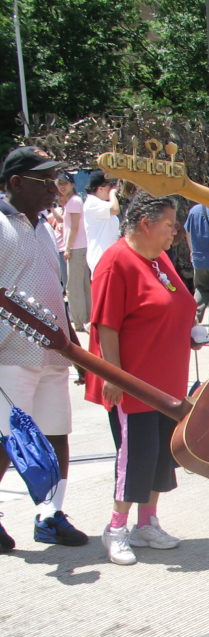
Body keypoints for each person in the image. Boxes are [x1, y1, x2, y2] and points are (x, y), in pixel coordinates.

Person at [85, 193, 197, 566]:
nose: (175, 232)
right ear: (146, 224)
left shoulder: (157, 258)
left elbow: (175, 301)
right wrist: (113, 375)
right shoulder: (117, 261)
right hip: (134, 383)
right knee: (134, 457)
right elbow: (106, 325)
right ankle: (116, 528)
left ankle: (146, 523)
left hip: (167, 380)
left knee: (160, 457)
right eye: (169, 224)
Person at [0, 145, 89, 551]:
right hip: (11, 355)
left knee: (57, 435)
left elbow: (54, 290)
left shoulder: (41, 227)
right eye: (45, 180)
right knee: (8, 442)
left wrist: (73, 344)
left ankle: (50, 515)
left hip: (54, 354)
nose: (55, 188)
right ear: (16, 182)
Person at [183, 183, 209, 339]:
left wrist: (192, 250)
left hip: (198, 257)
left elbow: (187, 231)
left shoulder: (194, 210)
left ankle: (191, 321)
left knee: (200, 290)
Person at [54, 172, 90, 332]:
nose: (62, 187)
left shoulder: (74, 201)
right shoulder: (73, 202)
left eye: (65, 183)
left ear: (72, 185)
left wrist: (67, 248)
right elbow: (67, 223)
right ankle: (86, 319)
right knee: (82, 286)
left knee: (73, 287)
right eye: (59, 184)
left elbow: (74, 227)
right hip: (80, 246)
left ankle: (79, 322)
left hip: (75, 247)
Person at [82, 169, 120, 275]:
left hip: (109, 256)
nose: (112, 189)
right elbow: (115, 209)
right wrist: (113, 194)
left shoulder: (100, 203)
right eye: (110, 187)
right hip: (100, 256)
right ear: (101, 188)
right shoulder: (92, 203)